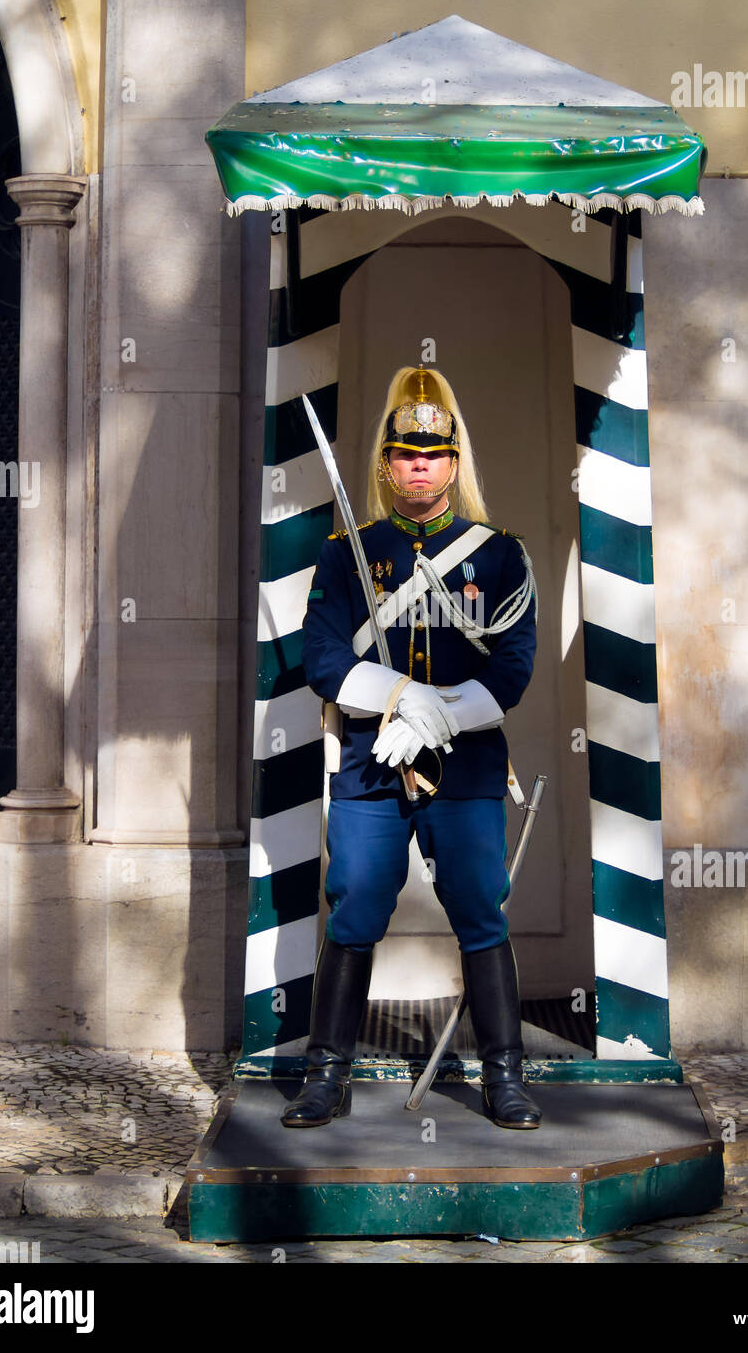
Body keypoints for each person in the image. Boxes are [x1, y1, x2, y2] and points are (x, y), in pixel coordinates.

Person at [281, 366, 540, 1130]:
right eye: (404, 454)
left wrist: (440, 715)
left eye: (433, 453)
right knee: (355, 902)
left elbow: (514, 665)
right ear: (386, 464)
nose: (418, 465)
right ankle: (326, 1075)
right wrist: (400, 699)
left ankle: (504, 1075)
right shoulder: (346, 553)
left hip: (464, 767)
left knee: (479, 910)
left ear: (454, 463)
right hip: (372, 764)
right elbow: (321, 658)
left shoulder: (497, 556)